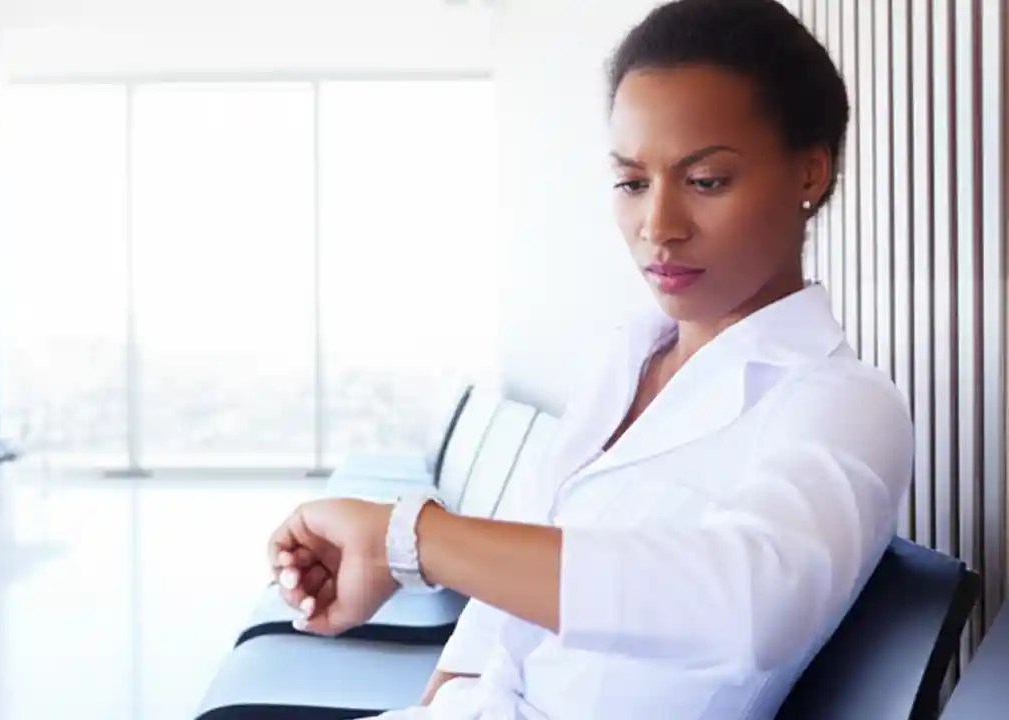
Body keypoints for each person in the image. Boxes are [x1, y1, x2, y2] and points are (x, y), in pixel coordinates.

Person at [268, 0, 913, 717]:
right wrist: (448, 688)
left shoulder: (839, 401)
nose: (658, 228)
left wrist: (410, 538)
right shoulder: (626, 359)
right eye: (633, 182)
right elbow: (513, 588)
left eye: (706, 181)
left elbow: (743, 609)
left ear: (809, 174)